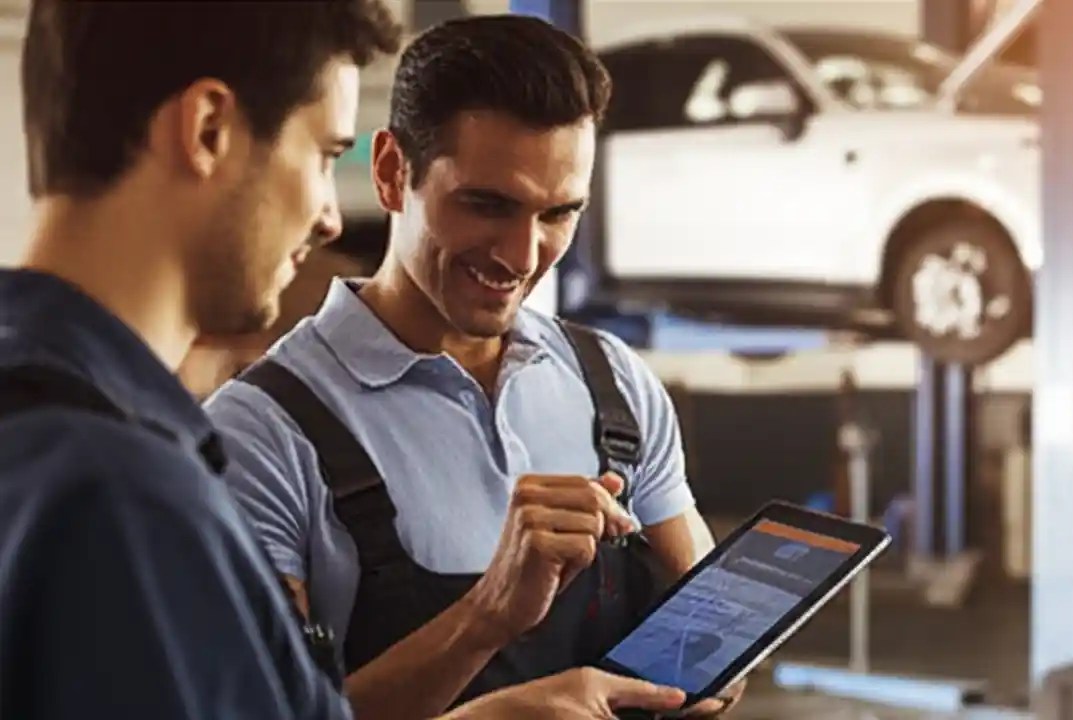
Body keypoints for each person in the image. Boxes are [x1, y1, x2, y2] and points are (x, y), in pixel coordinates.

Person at [0, 2, 686, 719]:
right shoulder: (122, 491)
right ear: (208, 129)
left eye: (557, 213)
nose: (330, 216)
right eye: (325, 154)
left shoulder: (74, 448)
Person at [203, 14, 745, 720]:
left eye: (558, 213)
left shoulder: (614, 384)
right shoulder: (258, 436)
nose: (523, 256)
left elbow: (718, 665)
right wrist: (488, 616)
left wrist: (714, 675)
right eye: (488, 205)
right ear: (394, 172)